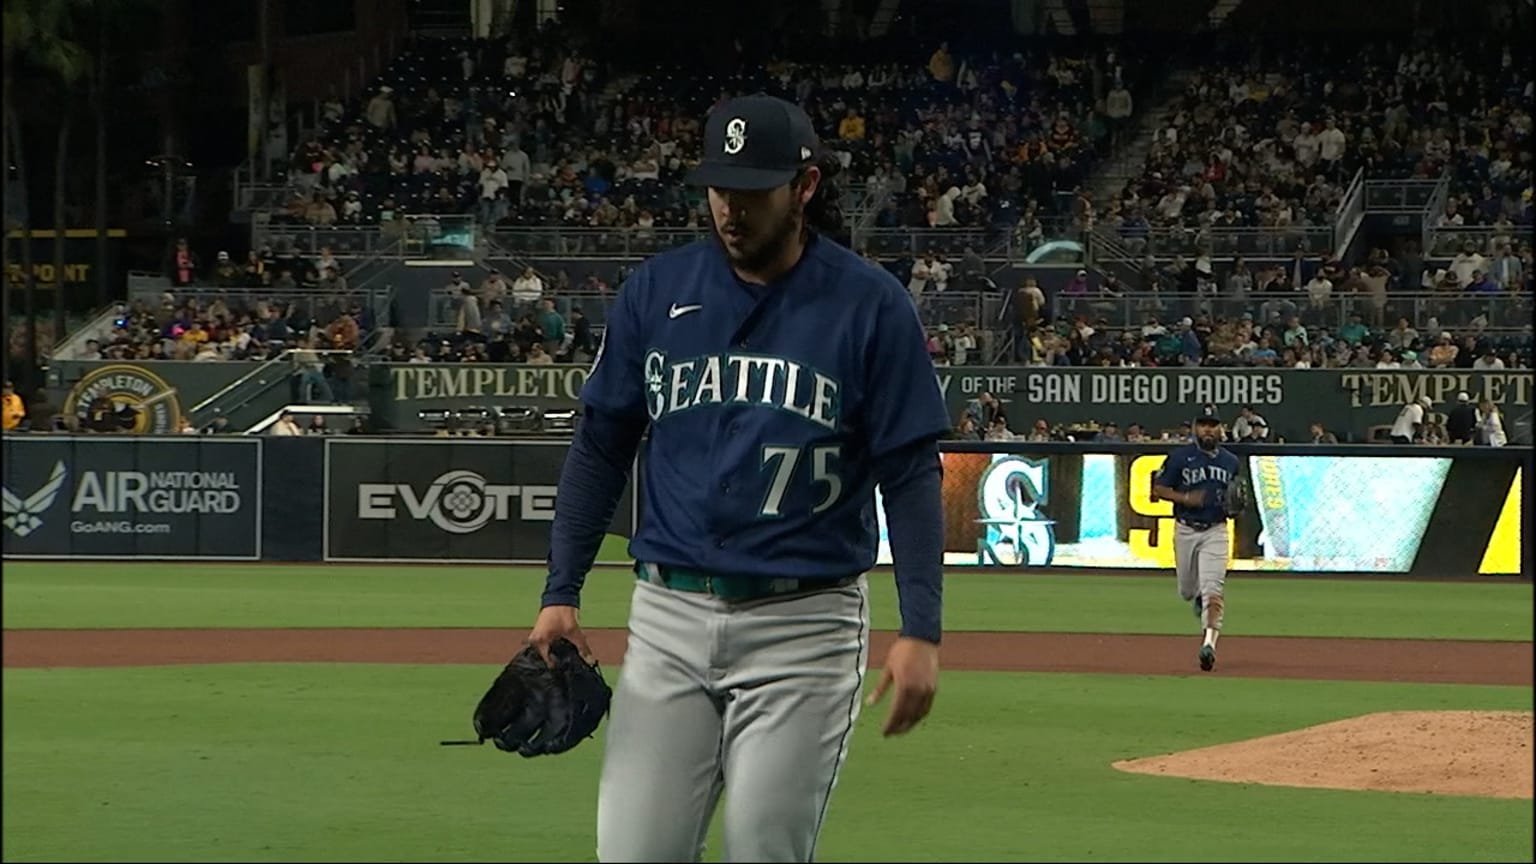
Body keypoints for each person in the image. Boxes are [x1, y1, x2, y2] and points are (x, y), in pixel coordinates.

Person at [527, 93, 949, 863]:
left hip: (806, 625)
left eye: (753, 191)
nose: (731, 209)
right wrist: (561, 593)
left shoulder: (869, 306)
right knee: (634, 853)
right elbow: (600, 446)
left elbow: (910, 471)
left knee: (762, 847)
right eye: (721, 188)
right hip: (667, 617)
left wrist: (920, 626)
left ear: (806, 188)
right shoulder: (656, 292)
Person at [1151, 405, 1240, 672]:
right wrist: (1186, 498)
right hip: (1186, 529)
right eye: (1203, 424)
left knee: (1215, 590)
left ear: (1220, 428)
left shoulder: (1230, 461)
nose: (1208, 429)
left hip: (1216, 530)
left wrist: (1235, 506)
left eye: (1213, 424)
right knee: (1187, 591)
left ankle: (1209, 644)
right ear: (1194, 428)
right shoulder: (1180, 458)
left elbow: (1236, 497)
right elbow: (1159, 488)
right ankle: (1198, 597)